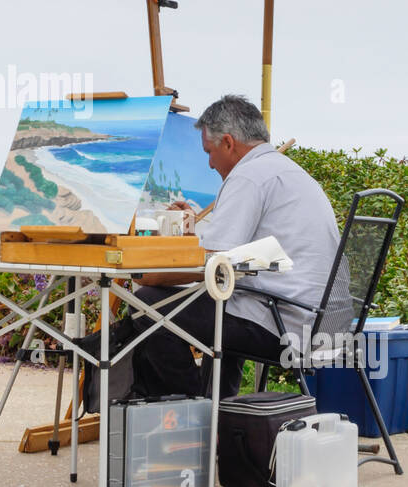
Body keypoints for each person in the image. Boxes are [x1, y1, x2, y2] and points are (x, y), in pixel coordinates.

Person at [114, 95, 341, 400]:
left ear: (229, 143)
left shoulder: (248, 176)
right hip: (313, 322)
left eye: (209, 152)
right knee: (222, 299)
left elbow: (212, 263)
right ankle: (218, 410)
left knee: (148, 303)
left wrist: (148, 274)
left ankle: (192, 412)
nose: (209, 164)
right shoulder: (287, 172)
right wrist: (195, 231)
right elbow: (233, 253)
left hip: (279, 323)